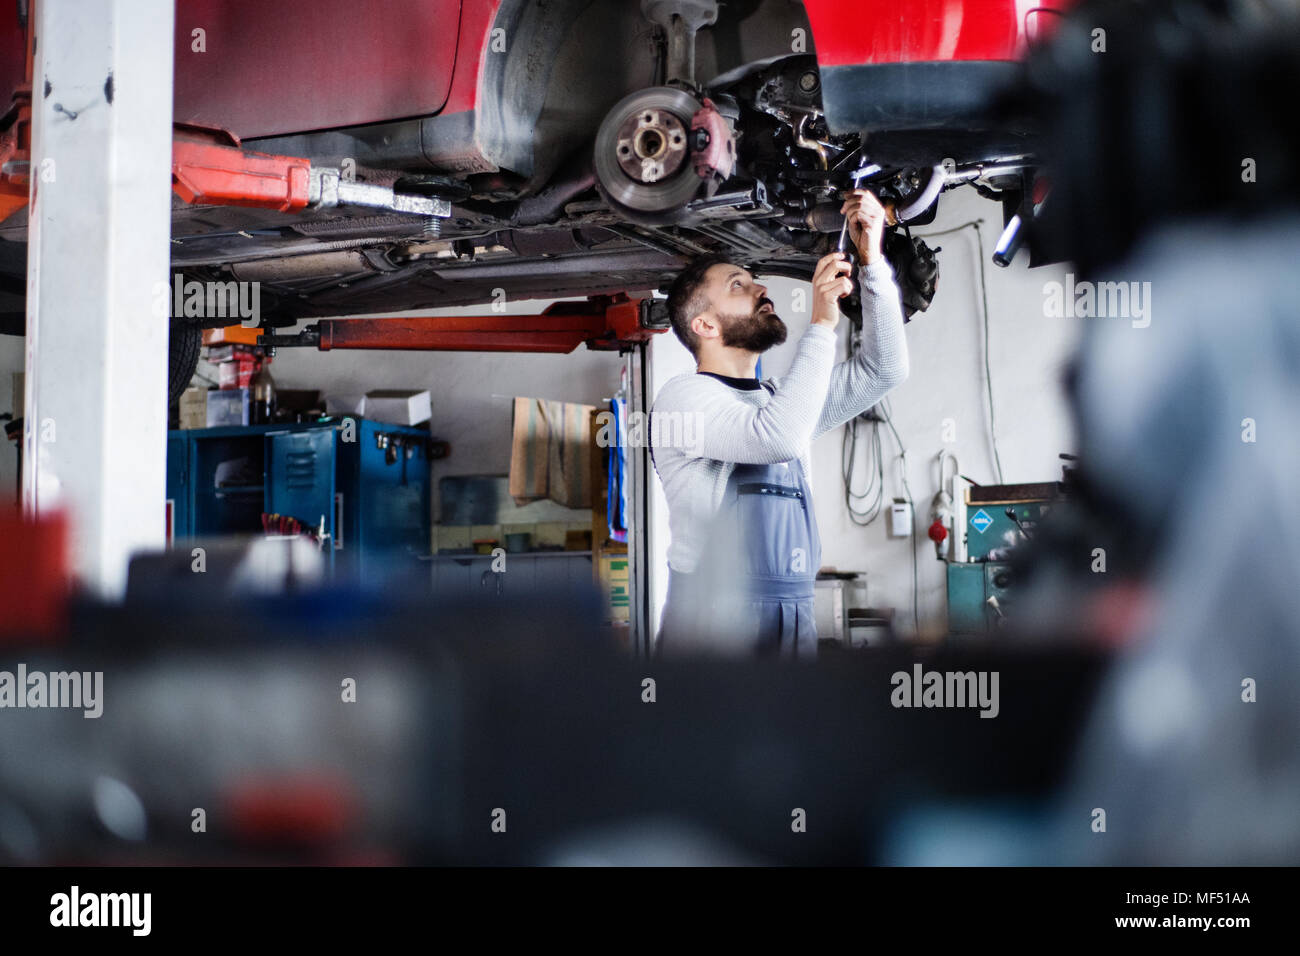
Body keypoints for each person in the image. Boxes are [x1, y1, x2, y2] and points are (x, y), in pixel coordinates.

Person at [651, 189, 908, 658]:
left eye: (753, 280)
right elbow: (779, 438)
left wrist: (872, 265)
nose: (761, 288)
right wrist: (822, 325)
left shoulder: (779, 402)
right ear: (705, 325)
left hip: (794, 618)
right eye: (737, 285)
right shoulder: (682, 400)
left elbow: (883, 369)